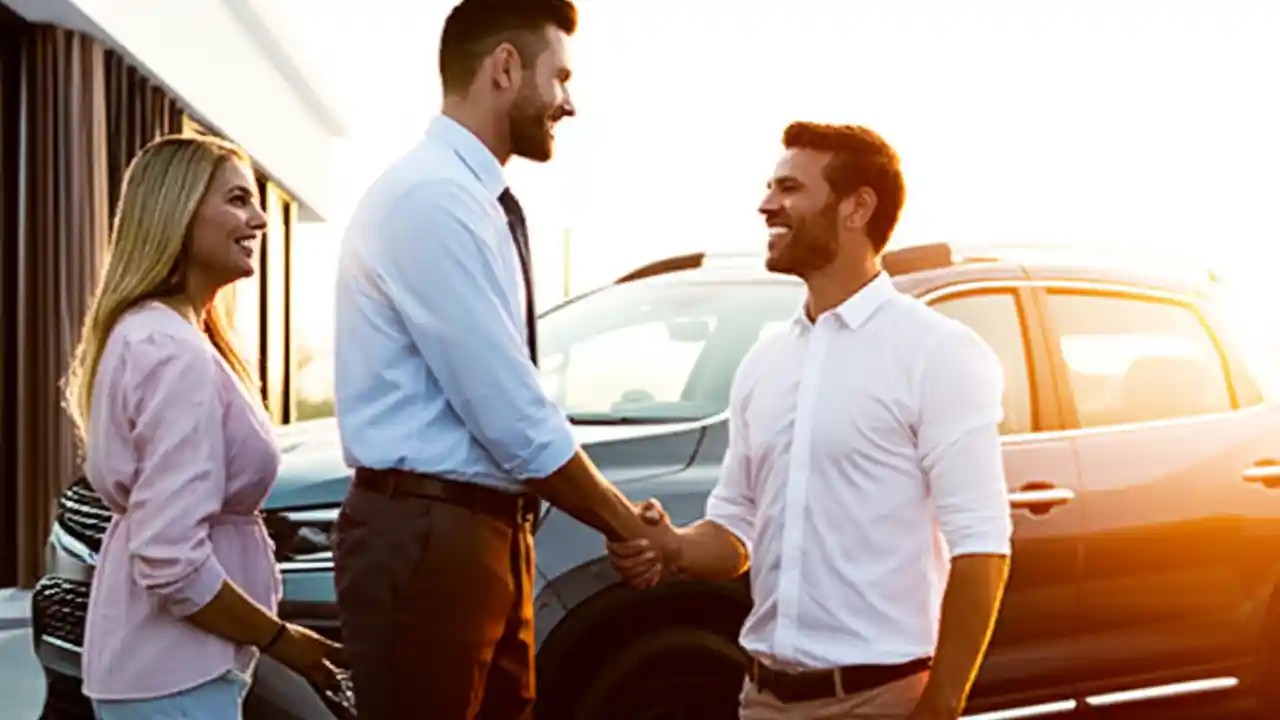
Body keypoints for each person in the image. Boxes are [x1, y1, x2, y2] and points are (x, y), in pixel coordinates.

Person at [330, 1, 679, 718]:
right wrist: (620, 520)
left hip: (482, 538)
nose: (569, 104)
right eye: (561, 78)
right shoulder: (432, 200)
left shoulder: (472, 200)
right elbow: (509, 410)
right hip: (428, 543)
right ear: (506, 67)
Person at [609, 122, 1014, 720]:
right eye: (771, 187)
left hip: (879, 700)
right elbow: (734, 530)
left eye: (790, 188)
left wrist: (942, 705)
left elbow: (982, 544)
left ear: (857, 207)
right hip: (763, 700)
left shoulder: (938, 352)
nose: (767, 204)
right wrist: (671, 545)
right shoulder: (765, 361)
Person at [63, 135, 345, 719]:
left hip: (154, 667)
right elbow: (169, 555)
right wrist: (282, 639)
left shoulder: (149, 331)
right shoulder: (172, 350)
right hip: (175, 676)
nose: (261, 218)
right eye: (239, 200)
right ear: (181, 211)